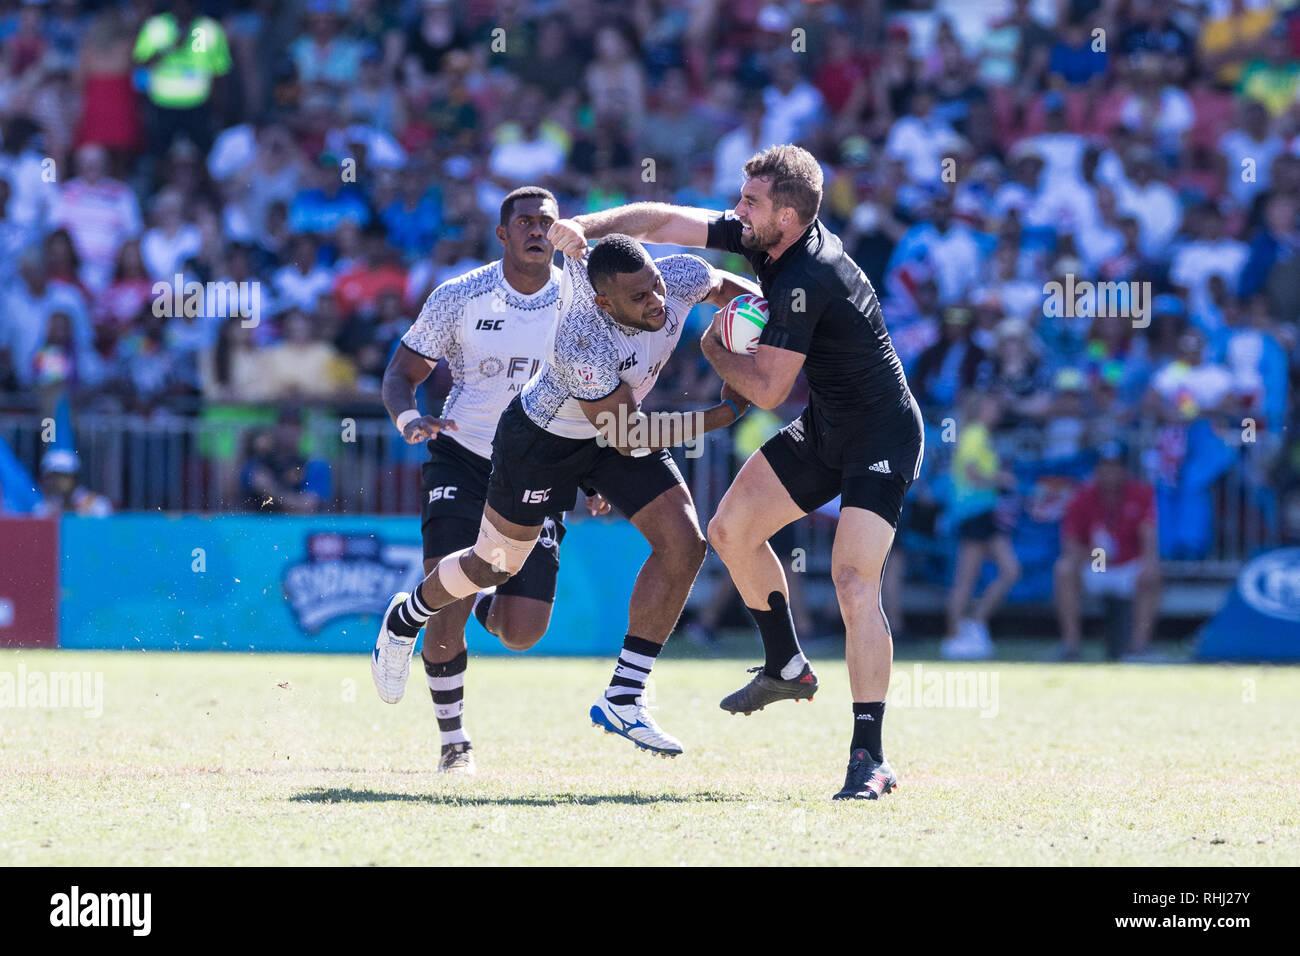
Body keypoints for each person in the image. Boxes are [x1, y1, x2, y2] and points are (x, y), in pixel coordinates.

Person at [548, 143, 925, 801]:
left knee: (852, 582)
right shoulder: (763, 238)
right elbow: (663, 220)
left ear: (790, 215)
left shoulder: (810, 275)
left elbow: (769, 390)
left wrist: (712, 346)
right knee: (729, 533)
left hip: (881, 435)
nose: (736, 210)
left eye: (750, 201)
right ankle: (786, 665)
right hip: (828, 429)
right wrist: (588, 227)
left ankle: (870, 758)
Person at [374, 230, 759, 759]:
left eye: (656, 286)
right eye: (640, 297)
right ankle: (407, 614)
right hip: (544, 443)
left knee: (686, 542)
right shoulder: (582, 340)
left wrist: (773, 316)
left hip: (611, 431)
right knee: (492, 567)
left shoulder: (678, 276)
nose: (658, 302)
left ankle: (625, 696)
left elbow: (728, 289)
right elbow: (630, 433)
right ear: (603, 303)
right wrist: (725, 413)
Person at [372, 187, 587, 774]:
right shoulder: (459, 296)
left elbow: (598, 386)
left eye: (546, 222)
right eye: (524, 222)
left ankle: (480, 586)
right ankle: (453, 743)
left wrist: (595, 472)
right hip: (462, 458)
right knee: (448, 609)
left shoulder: (581, 298)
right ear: (502, 234)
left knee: (523, 632)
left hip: (541, 466)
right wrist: (410, 417)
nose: (537, 230)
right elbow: (400, 374)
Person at [1051, 442, 1161, 662]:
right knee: (1064, 569)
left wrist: (1150, 561)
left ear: (1124, 470)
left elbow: (1148, 535)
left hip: (1127, 565)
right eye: (1105, 467)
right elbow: (1070, 546)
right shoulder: (1082, 497)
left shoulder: (1140, 493)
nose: (1109, 473)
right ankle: (1071, 646)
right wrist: (1095, 554)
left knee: (1152, 572)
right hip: (1095, 565)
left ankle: (1139, 648)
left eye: (1115, 467)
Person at [941, 392, 1020, 660]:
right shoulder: (975, 433)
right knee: (967, 578)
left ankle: (973, 623)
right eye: (992, 405)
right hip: (974, 512)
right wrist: (1002, 479)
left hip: (984, 513)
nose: (997, 410)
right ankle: (953, 636)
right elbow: (973, 473)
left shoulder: (980, 435)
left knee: (1009, 570)